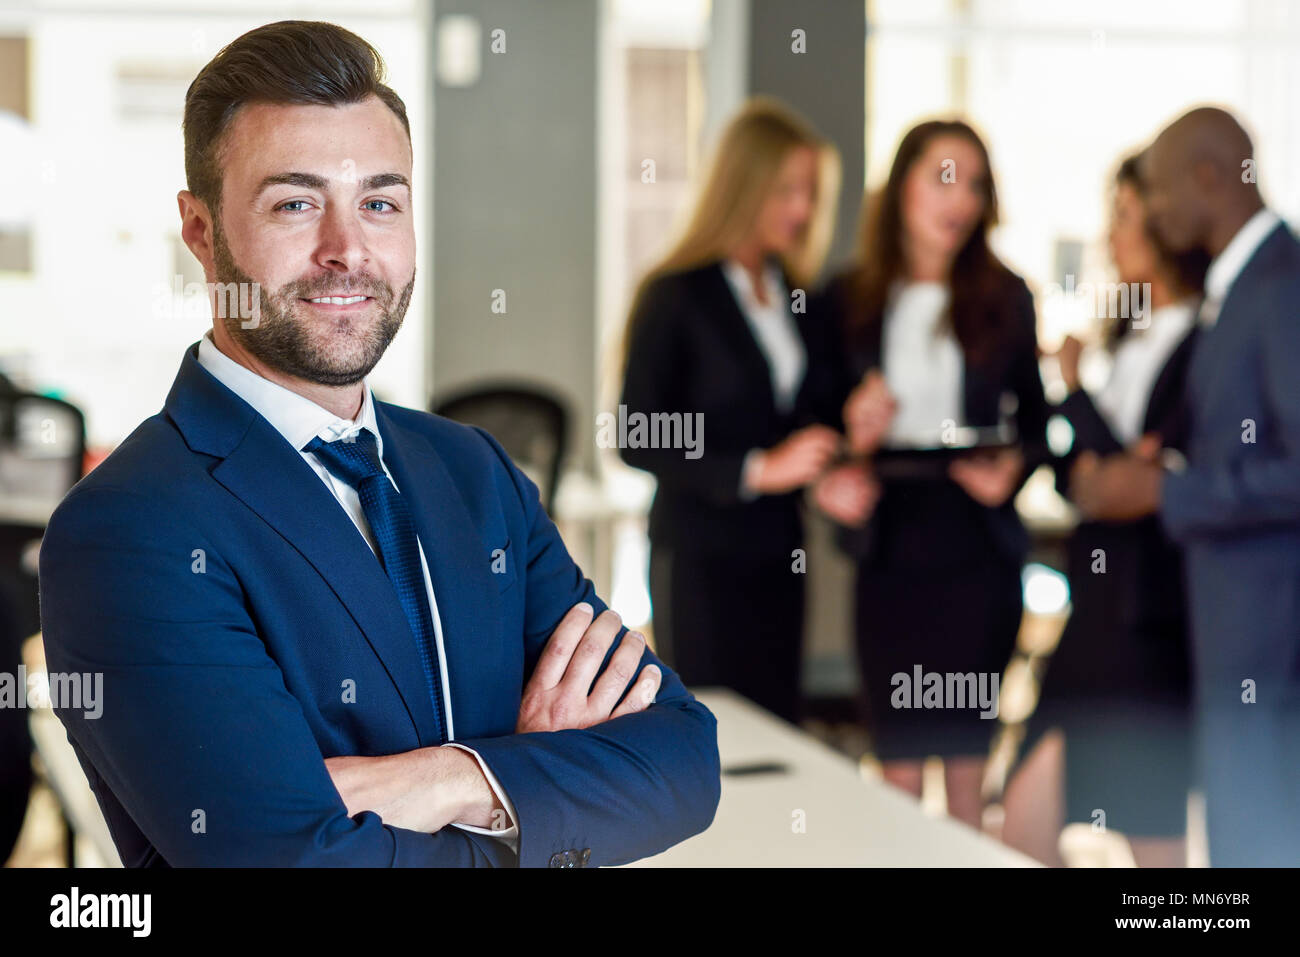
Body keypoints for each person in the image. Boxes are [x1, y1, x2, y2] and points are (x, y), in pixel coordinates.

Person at [38, 20, 719, 868]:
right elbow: (290, 863)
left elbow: (686, 759)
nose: (347, 249)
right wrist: (535, 788)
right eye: (295, 202)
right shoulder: (129, 531)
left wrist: (447, 778)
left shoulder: (475, 473)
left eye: (380, 202)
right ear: (201, 229)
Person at [1073, 107, 1300, 867]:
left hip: (1267, 634)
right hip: (1231, 628)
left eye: (1162, 190)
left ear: (1209, 177)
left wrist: (1165, 493)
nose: (1156, 208)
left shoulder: (1281, 284)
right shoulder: (1239, 288)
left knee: (1258, 842)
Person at [813, 119, 1049, 827]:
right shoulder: (846, 299)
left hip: (976, 546)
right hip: (891, 547)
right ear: (902, 185)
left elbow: (1039, 424)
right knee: (899, 771)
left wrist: (1014, 466)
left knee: (971, 770)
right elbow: (814, 428)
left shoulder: (1006, 296)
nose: (962, 198)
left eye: (975, 183)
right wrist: (849, 442)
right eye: (945, 176)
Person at [1006, 153, 1207, 867]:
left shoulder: (1202, 343)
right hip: (1092, 610)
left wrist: (1073, 392)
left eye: (1125, 216)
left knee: (1152, 841)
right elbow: (1098, 477)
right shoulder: (1127, 337)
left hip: (1147, 621)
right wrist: (1082, 456)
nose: (1111, 235)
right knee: (1024, 819)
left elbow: (1141, 487)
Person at [618, 98, 844, 724]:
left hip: (780, 548)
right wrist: (754, 469)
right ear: (744, 187)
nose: (802, 210)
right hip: (700, 554)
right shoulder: (676, 296)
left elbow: (810, 412)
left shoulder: (798, 296)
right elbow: (638, 433)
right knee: (713, 729)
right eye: (787, 190)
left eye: (811, 193)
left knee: (778, 728)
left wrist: (847, 434)